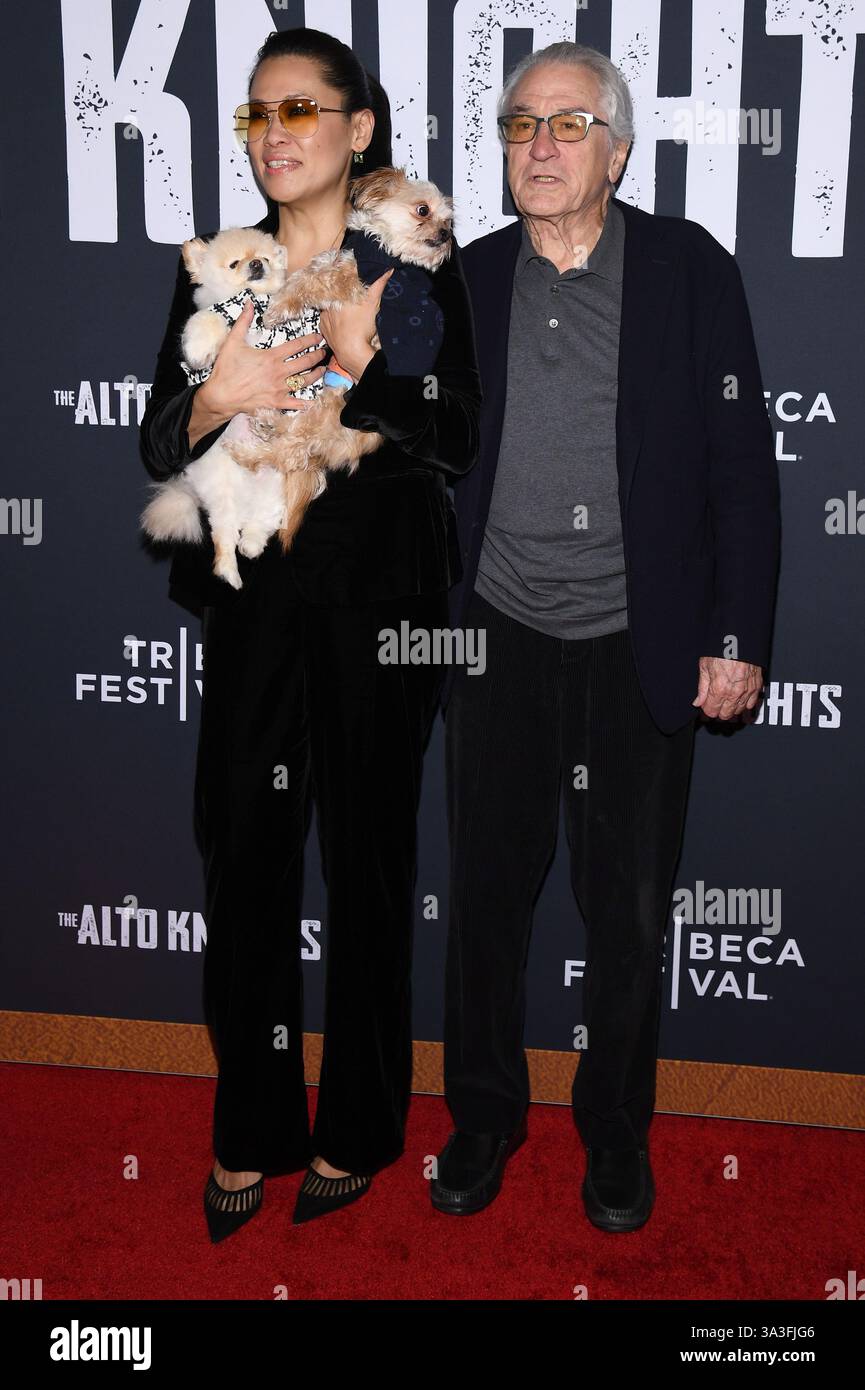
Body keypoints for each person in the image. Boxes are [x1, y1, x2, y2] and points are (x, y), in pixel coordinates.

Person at [432, 41, 781, 1231]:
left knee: (628, 913)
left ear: (617, 151)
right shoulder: (463, 279)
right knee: (482, 902)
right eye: (520, 125)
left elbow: (741, 472)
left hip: (642, 641)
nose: (537, 146)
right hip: (495, 641)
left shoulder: (690, 271)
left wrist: (734, 632)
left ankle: (617, 1135)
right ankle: (479, 1115)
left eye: (566, 126)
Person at [139, 26, 480, 1240]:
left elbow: (455, 435)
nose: (274, 135)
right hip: (252, 610)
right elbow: (154, 439)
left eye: (299, 110)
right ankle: (251, 1125)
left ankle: (359, 1124)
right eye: (256, 116)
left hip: (381, 612)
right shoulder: (218, 266)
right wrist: (216, 399)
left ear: (358, 129)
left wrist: (366, 365)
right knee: (244, 859)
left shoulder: (420, 263)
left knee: (371, 866)